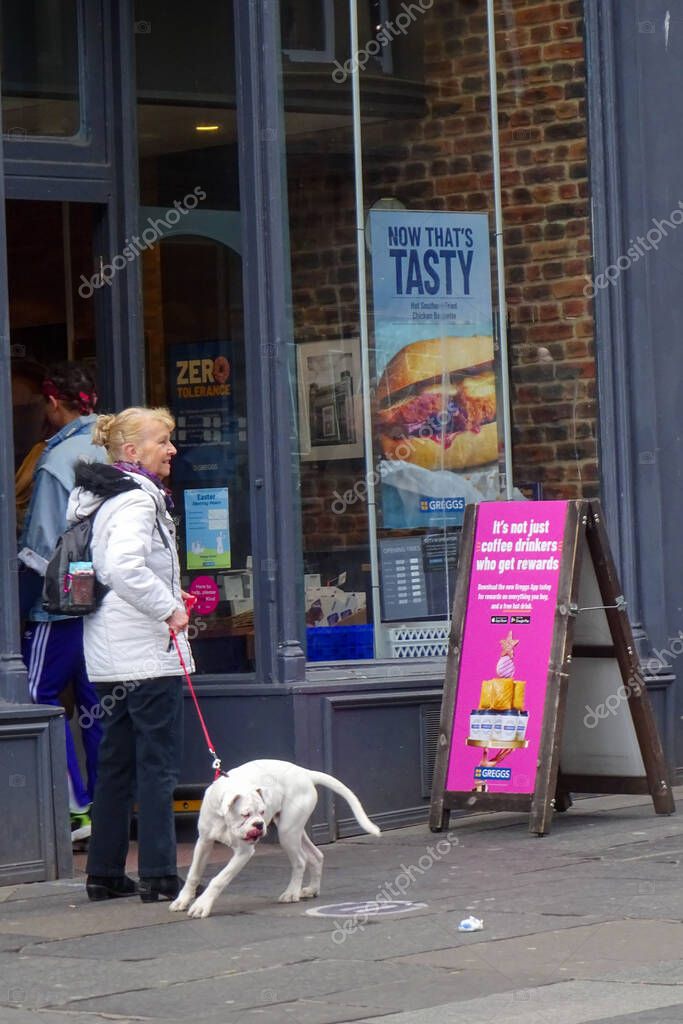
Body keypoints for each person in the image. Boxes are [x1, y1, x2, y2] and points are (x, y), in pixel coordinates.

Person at [67, 407, 194, 902]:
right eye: (163, 440)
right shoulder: (138, 502)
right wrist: (169, 609)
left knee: (116, 765)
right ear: (131, 452)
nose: (172, 449)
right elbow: (124, 568)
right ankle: (161, 874)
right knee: (158, 766)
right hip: (147, 656)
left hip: (107, 655)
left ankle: (104, 873)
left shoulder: (98, 499)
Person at [17, 362, 106, 843]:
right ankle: (107, 809)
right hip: (106, 601)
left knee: (34, 700)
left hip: (61, 601)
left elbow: (39, 549)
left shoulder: (56, 461)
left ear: (55, 404)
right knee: (97, 703)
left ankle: (75, 810)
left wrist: (17, 603)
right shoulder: (117, 445)